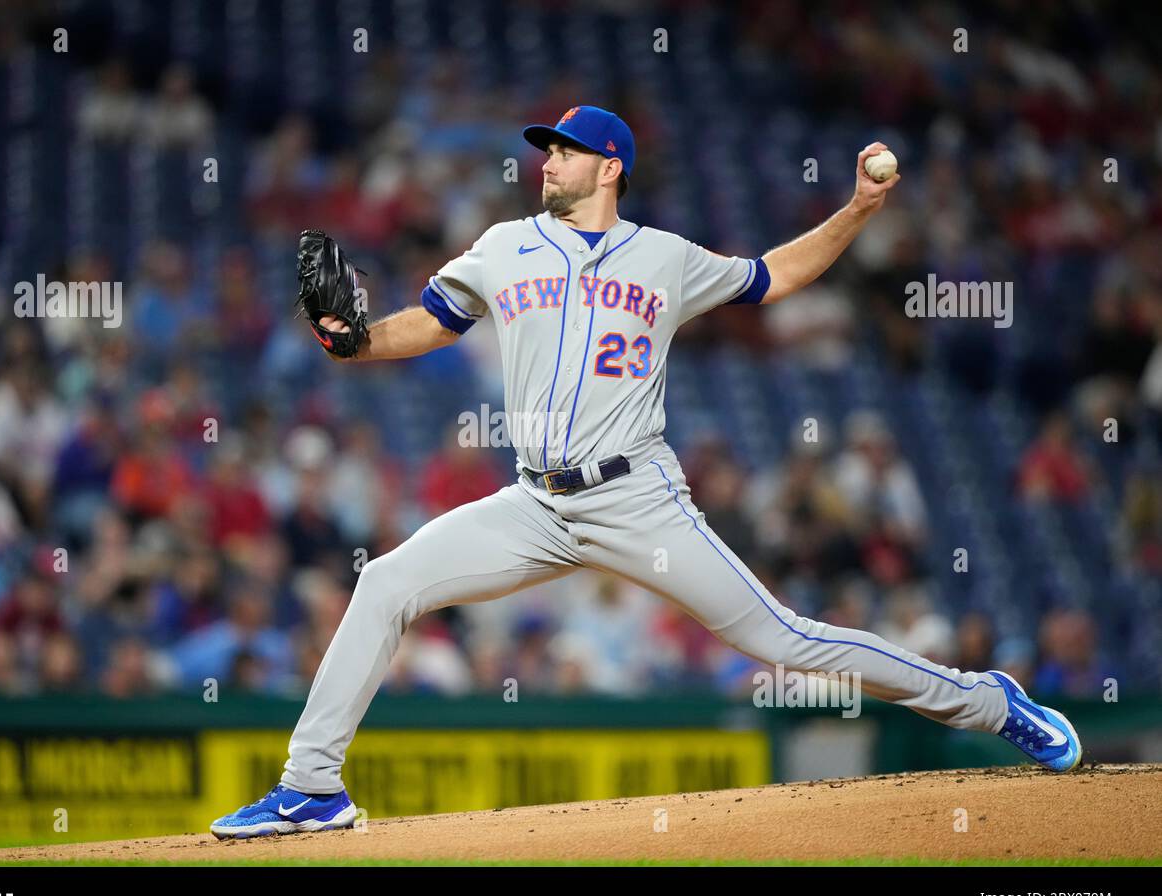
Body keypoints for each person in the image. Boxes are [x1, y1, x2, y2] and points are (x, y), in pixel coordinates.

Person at [210, 106, 1082, 839]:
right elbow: (431, 324)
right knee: (387, 581)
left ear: (610, 166)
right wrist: (354, 342)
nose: (547, 161)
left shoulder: (666, 258)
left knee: (782, 640)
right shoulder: (503, 246)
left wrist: (856, 209)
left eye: (564, 150)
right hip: (534, 502)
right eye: (545, 149)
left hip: (637, 499)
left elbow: (773, 276)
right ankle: (313, 787)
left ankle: (987, 703)